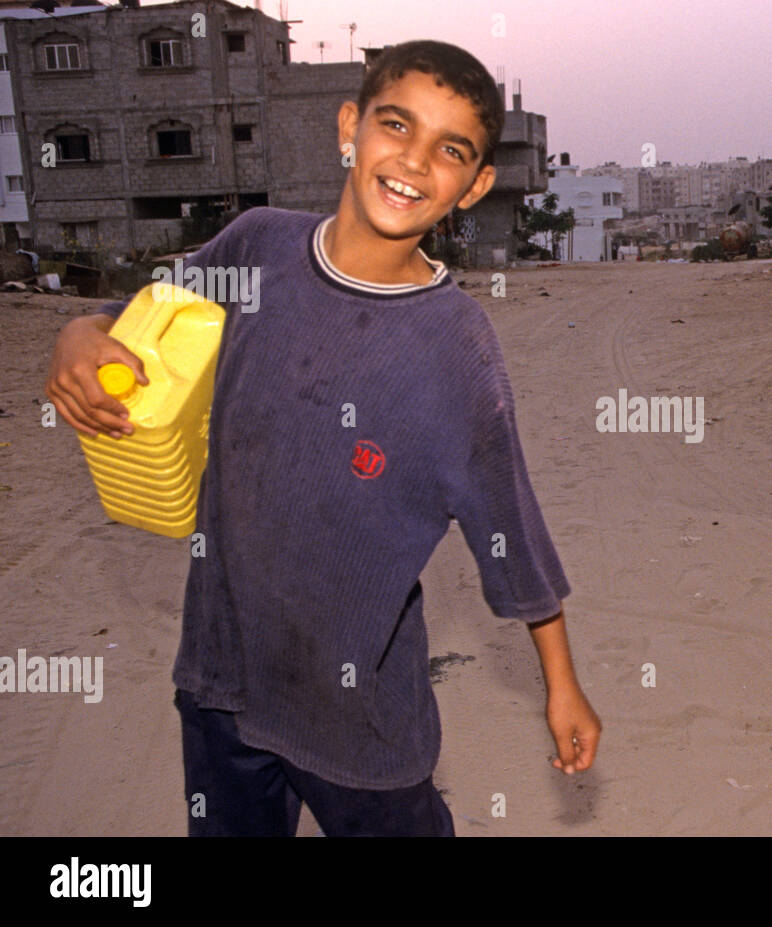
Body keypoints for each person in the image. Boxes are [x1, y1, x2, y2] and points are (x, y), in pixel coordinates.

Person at [45, 40, 600, 836]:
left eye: (450, 150)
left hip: (360, 719)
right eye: (396, 125)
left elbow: (509, 525)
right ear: (350, 125)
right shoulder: (256, 246)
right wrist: (79, 328)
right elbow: (141, 321)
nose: (412, 161)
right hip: (222, 684)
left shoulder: (457, 347)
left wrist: (562, 682)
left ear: (475, 185)